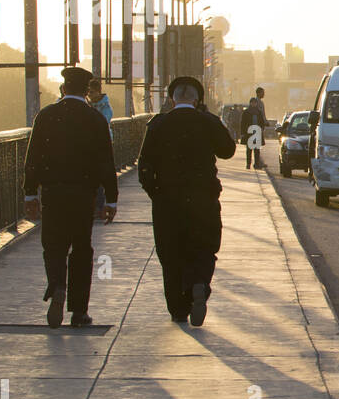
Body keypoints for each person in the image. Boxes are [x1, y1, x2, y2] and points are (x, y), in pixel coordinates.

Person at [23, 66, 118, 328]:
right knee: (82, 249)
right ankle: (79, 311)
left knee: (53, 245)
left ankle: (57, 287)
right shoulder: (96, 120)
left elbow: (33, 159)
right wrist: (110, 199)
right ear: (87, 91)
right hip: (84, 195)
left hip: (53, 193)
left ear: (63, 89)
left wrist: (30, 192)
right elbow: (106, 163)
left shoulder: (46, 116)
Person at [138, 76, 237, 325]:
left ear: (172, 99)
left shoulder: (158, 124)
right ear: (197, 99)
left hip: (167, 202)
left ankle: (178, 309)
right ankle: (199, 284)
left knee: (170, 253)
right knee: (204, 246)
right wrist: (211, 121)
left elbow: (144, 166)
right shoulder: (208, 121)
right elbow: (227, 151)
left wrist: (156, 193)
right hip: (204, 199)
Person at [87, 77, 114, 217]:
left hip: (102, 144)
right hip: (89, 145)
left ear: (98, 92)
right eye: (88, 92)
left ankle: (99, 206)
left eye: (91, 92)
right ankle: (93, 205)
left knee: (99, 176)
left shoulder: (105, 107)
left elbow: (102, 124)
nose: (89, 95)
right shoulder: (87, 105)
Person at [240, 87, 266, 169]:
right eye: (252, 103)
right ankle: (248, 164)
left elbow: (261, 122)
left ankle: (257, 164)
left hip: (257, 132)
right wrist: (243, 133)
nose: (254, 104)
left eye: (255, 103)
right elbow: (243, 123)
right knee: (249, 150)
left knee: (257, 150)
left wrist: (262, 128)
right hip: (249, 133)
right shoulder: (246, 112)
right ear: (250, 103)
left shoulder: (258, 112)